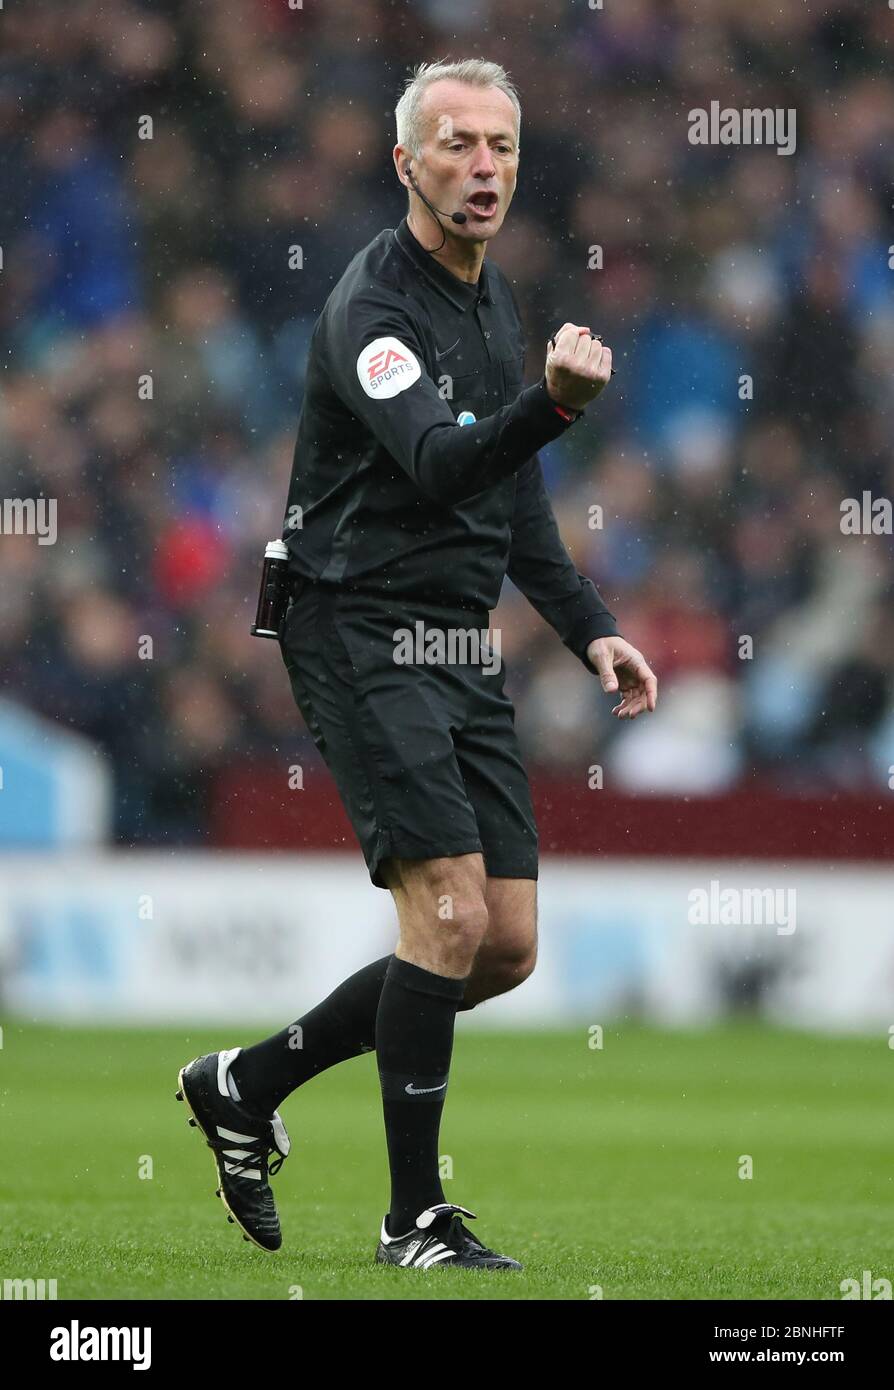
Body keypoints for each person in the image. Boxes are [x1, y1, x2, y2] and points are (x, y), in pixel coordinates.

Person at [177, 58, 657, 1270]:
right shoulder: (371, 308)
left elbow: (512, 505)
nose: (483, 166)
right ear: (407, 164)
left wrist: (589, 622)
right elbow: (445, 462)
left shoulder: (496, 304)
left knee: (499, 941)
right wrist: (551, 406)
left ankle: (248, 1082)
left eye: (500, 145)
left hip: (459, 641)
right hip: (359, 624)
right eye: (456, 144)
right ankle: (412, 1219)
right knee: (441, 912)